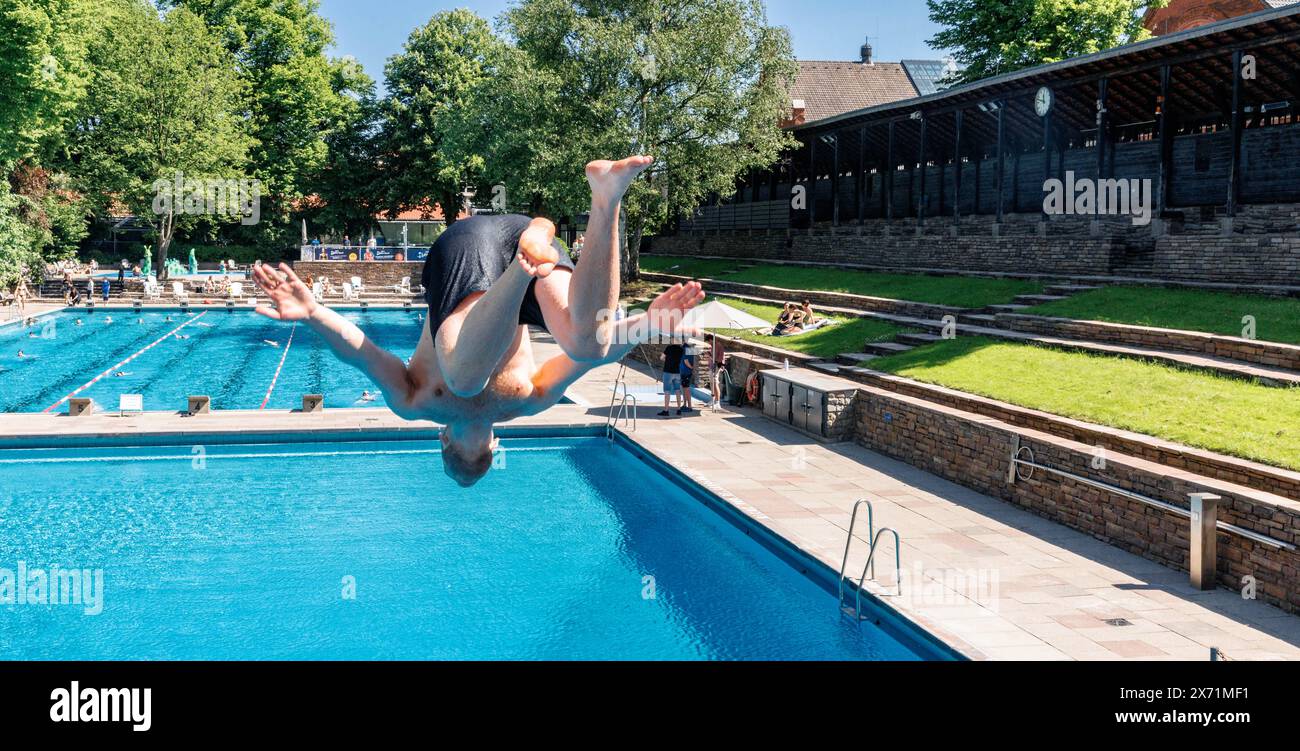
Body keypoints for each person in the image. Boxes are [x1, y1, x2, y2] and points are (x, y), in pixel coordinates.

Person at [253, 155, 703, 487]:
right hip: (519, 259)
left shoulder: (429, 404)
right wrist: (647, 322)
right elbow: (594, 358)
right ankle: (606, 200)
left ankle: (526, 260)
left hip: (468, 255)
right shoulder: (518, 403)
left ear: (489, 448)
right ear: (445, 444)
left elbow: (364, 355)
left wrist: (314, 313)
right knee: (588, 343)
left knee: (466, 379)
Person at [658, 341, 684, 417]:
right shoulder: (681, 349)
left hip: (668, 372)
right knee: (678, 391)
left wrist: (667, 360)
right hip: (677, 372)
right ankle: (679, 409)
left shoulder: (669, 347)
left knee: (667, 392)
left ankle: (666, 410)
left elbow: (661, 357)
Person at [677, 342, 697, 414]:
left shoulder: (685, 349)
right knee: (684, 388)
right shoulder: (690, 349)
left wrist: (691, 367)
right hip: (686, 372)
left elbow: (686, 361)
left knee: (686, 389)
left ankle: (689, 406)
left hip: (685, 372)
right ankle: (685, 404)